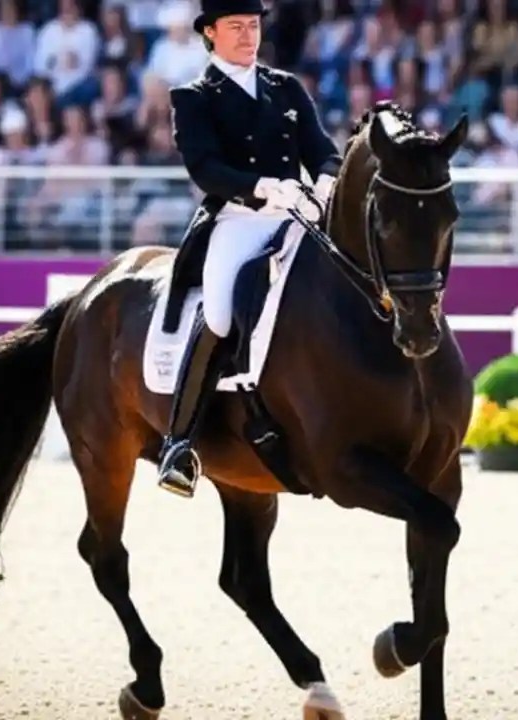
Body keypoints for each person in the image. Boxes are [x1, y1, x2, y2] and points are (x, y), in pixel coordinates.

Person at [156, 0, 343, 499]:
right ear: (211, 33)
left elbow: (323, 148)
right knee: (219, 315)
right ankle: (178, 443)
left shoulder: (286, 87)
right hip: (239, 220)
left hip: (297, 213)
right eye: (236, 27)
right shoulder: (194, 96)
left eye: (254, 26)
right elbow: (205, 169)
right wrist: (261, 187)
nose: (247, 35)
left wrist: (325, 181)